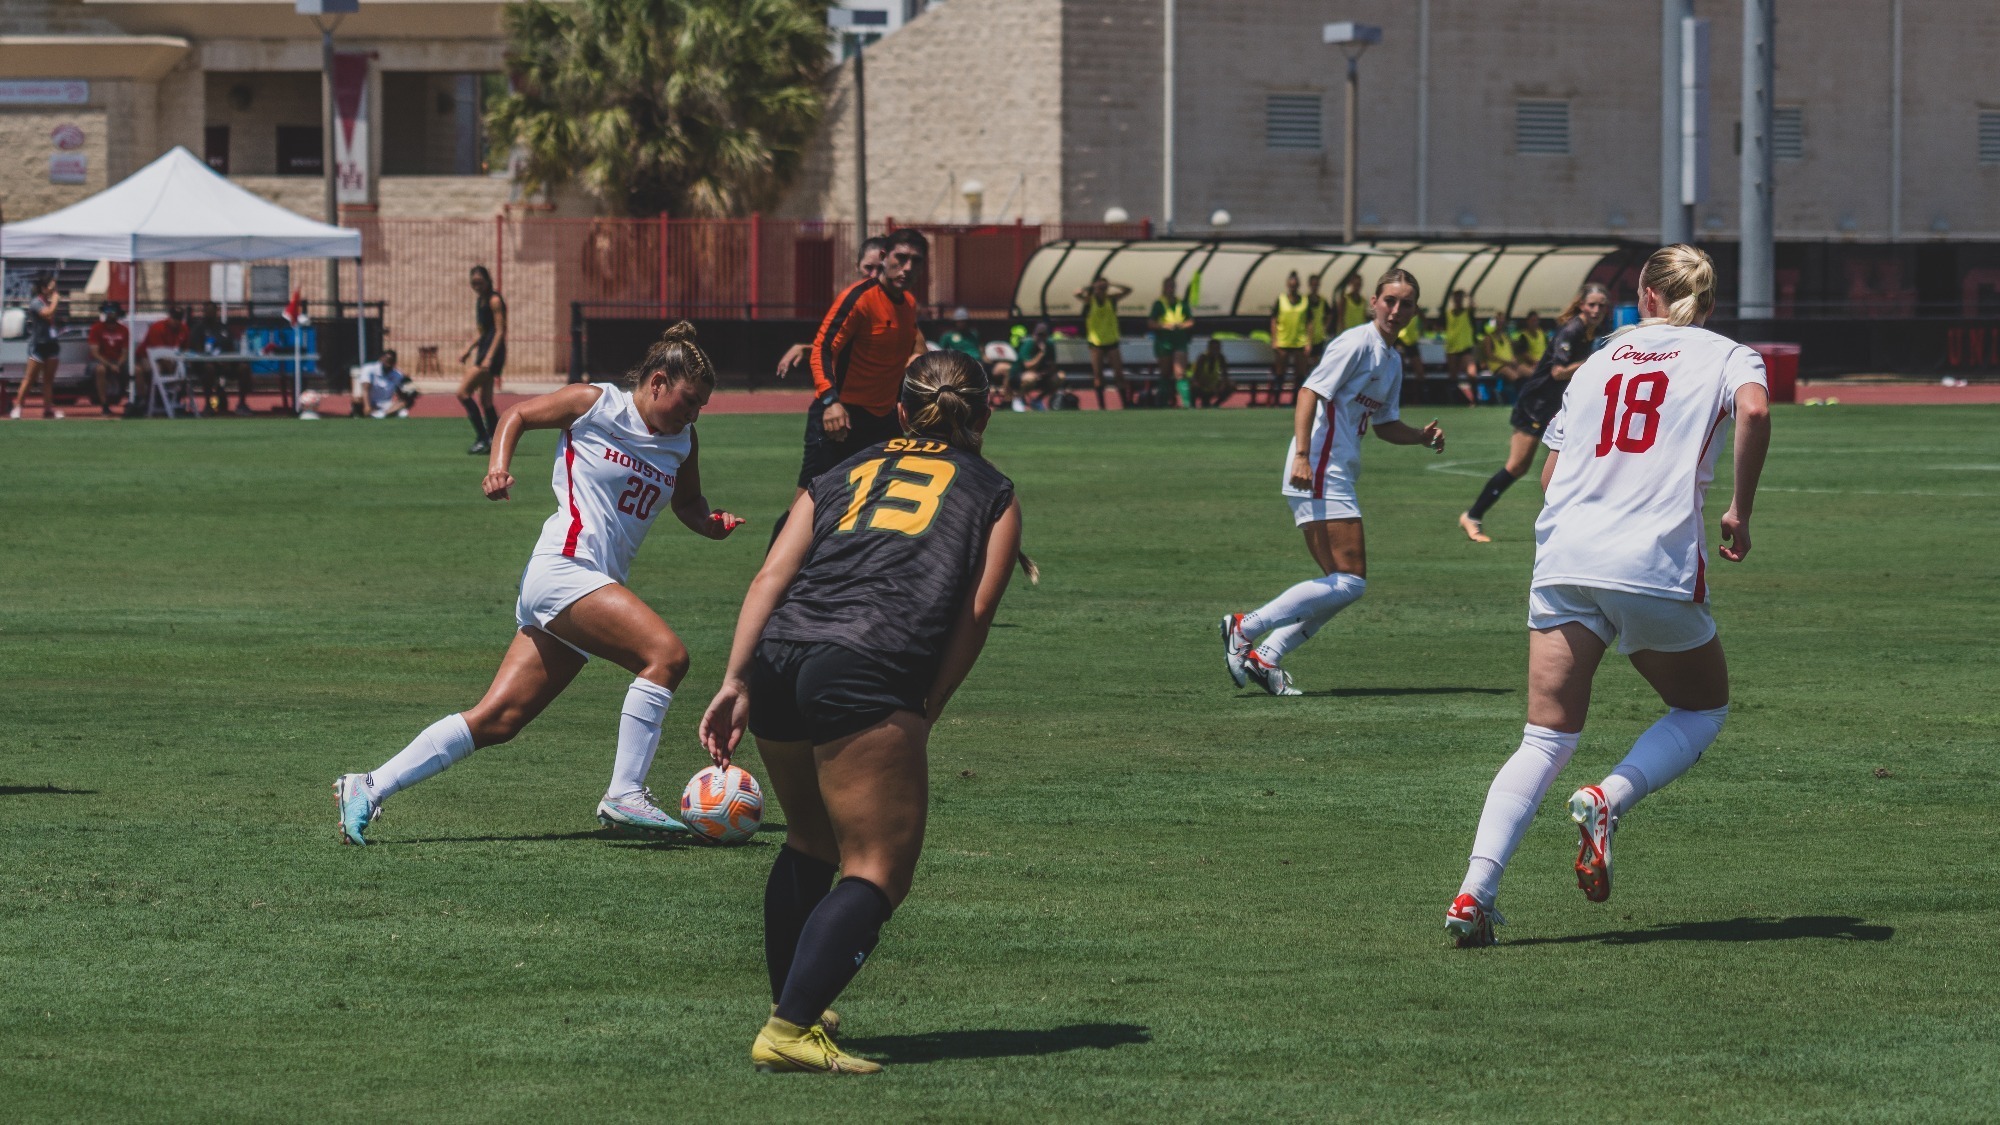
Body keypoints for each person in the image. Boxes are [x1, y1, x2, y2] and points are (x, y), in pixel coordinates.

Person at [698, 349, 1022, 1075]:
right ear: (986, 412)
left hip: (781, 654)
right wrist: (926, 705)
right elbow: (974, 613)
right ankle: (788, 1027)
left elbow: (769, 574)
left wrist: (735, 678)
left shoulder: (842, 468)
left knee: (811, 839)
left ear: (900, 411)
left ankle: (798, 994)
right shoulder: (994, 490)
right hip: (868, 663)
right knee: (878, 868)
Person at [1444, 245, 1771, 947]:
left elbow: (1549, 474)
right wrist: (1739, 508)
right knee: (1702, 706)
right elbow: (1755, 410)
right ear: (1705, 303)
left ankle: (1475, 891)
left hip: (1564, 552)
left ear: (1646, 296)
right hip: (1650, 559)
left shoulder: (1601, 357)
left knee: (1545, 735)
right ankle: (1608, 796)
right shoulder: (1730, 353)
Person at [333, 322, 746, 845]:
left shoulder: (682, 440)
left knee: (498, 719)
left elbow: (688, 502)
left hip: (588, 585)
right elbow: (518, 414)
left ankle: (367, 786)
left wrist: (710, 524)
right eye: (689, 401)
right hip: (564, 568)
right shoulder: (596, 403)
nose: (694, 414)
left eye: (701, 406)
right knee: (667, 657)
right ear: (658, 382)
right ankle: (625, 792)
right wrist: (498, 468)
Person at [1219, 269, 1446, 696]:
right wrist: (1303, 455)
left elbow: (1384, 424)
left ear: (1416, 310)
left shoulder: (1392, 359)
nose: (1397, 310)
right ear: (1373, 302)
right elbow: (1309, 392)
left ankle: (1266, 656)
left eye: (1407, 303)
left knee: (1337, 588)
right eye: (1390, 300)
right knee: (1351, 581)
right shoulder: (1356, 342)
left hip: (1333, 468)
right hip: (1319, 468)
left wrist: (1419, 436)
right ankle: (1245, 627)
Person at [1457, 283, 1610, 543]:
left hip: (1558, 407)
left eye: (1601, 305)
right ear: (1582, 305)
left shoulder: (1589, 331)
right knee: (1517, 466)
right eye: (1592, 304)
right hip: (1536, 405)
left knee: (1577, 464)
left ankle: (1573, 525)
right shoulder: (1572, 329)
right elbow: (1558, 372)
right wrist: (1592, 362)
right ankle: (1472, 517)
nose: (1597, 310)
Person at [797, 228, 929, 498]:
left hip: (884, 421)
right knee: (809, 504)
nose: (907, 267)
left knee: (879, 504)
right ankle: (779, 543)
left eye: (916, 261)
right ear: (884, 256)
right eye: (901, 258)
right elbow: (823, 349)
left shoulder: (909, 304)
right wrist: (831, 402)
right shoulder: (859, 298)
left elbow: (907, 356)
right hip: (841, 417)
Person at [778, 237, 889, 380]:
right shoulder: (849, 303)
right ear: (857, 266)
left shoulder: (902, 305)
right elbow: (829, 349)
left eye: (881, 268)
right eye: (868, 267)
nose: (874, 274)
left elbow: (913, 353)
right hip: (851, 393)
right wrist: (805, 350)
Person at [457, 264, 508, 454]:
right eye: (473, 283)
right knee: (486, 401)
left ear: (488, 280)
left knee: (462, 392)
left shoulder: (494, 300)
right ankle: (497, 441)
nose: (476, 286)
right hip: (484, 352)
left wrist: (489, 357)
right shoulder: (481, 301)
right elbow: (483, 331)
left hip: (492, 354)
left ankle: (482, 437)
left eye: (479, 282)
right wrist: (468, 349)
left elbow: (500, 331)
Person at [1075, 276, 1132, 409]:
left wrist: (1113, 284)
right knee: (1098, 375)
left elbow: (1128, 290)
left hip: (1111, 340)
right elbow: (1076, 293)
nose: (1101, 290)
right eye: (1099, 287)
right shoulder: (1090, 301)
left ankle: (1124, 404)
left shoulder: (1111, 300)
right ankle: (1101, 406)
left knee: (1119, 374)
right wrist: (1089, 287)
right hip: (1096, 342)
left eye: (1103, 287)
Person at [12, 274, 64, 420]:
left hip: (51, 344)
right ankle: (18, 406)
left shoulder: (48, 301)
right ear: (43, 288)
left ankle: (48, 409)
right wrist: (55, 301)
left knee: (48, 379)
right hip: (38, 345)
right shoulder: (36, 302)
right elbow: (47, 313)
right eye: (51, 288)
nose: (54, 291)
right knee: (29, 378)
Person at [191, 300, 252, 416]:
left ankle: (242, 404)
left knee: (244, 368)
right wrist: (214, 360)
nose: (210, 314)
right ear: (204, 312)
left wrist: (229, 360)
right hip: (206, 365)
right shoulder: (198, 329)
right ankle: (208, 405)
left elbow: (231, 349)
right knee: (209, 369)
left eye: (212, 311)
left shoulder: (223, 328)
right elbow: (198, 350)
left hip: (226, 364)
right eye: (208, 311)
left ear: (216, 312)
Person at [1147, 277, 1194, 407]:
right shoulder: (1158, 304)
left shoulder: (1181, 303)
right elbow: (1151, 323)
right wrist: (1164, 326)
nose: (1170, 289)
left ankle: (1187, 403)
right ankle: (1163, 402)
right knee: (1165, 373)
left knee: (1180, 372)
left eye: (1172, 286)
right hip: (1164, 341)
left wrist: (1181, 326)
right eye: (1168, 286)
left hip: (1179, 340)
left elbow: (1190, 321)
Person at [135, 306, 191, 414]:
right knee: (157, 369)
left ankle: (174, 400)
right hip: (147, 356)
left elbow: (185, 350)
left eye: (178, 319)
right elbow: (158, 355)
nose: (176, 322)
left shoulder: (184, 329)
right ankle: (150, 400)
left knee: (183, 369)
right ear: (170, 317)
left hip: (172, 358)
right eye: (174, 318)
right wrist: (173, 369)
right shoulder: (158, 327)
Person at [1269, 271, 1314, 405]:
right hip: (1283, 341)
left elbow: (1309, 322)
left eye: (1295, 285)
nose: (1293, 288)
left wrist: (1308, 342)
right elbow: (1274, 320)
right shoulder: (1281, 299)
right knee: (1280, 372)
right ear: (1288, 285)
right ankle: (1276, 401)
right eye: (1291, 285)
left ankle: (1296, 401)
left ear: (1298, 286)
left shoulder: (1305, 301)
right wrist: (1274, 339)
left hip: (1299, 342)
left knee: (1300, 374)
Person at [86, 301, 130, 417]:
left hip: (118, 360)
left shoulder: (124, 330)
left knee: (136, 369)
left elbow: (125, 353)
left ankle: (136, 401)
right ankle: (104, 404)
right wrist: (110, 365)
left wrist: (118, 364)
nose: (110, 314)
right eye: (107, 311)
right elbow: (95, 353)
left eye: (112, 311)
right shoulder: (96, 328)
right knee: (100, 370)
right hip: (100, 360)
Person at [351, 348, 420, 418]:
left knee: (407, 403)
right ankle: (366, 414)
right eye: (387, 360)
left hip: (385, 404)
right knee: (357, 400)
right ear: (381, 359)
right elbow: (365, 389)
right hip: (370, 401)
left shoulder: (397, 375)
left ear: (394, 362)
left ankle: (382, 415)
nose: (388, 363)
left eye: (391, 361)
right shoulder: (369, 369)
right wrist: (367, 406)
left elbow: (410, 391)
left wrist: (410, 390)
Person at [1013, 320, 1060, 409]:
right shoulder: (1029, 344)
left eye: (1044, 335)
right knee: (1030, 378)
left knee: (1060, 377)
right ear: (1034, 334)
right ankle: (1019, 399)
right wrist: (1041, 354)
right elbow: (1028, 366)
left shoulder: (1049, 345)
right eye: (1039, 335)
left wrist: (1045, 372)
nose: (1041, 338)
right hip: (1020, 375)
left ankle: (1037, 400)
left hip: (1041, 375)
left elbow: (1053, 365)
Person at [1442, 289, 1478, 402]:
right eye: (1456, 298)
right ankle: (1456, 399)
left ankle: (1474, 398)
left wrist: (1469, 296)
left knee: (1471, 374)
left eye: (1460, 298)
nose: (1458, 300)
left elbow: (1474, 307)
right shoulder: (1448, 313)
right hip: (1452, 349)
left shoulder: (1467, 312)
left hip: (1465, 349)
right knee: (1453, 376)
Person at [1482, 316, 1533, 389]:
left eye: (1502, 323)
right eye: (1498, 322)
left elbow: (1510, 352)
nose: (1500, 325)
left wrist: (1514, 359)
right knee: (1514, 375)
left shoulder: (1505, 337)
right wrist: (1505, 362)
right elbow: (1489, 355)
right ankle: (1520, 397)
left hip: (1510, 364)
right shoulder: (1488, 338)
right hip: (1498, 366)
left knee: (1530, 373)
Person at [1188, 337, 1236, 407]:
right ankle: (1193, 405)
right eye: (1213, 348)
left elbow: (1225, 374)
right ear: (1209, 348)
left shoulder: (1220, 357)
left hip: (1213, 384)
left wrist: (1222, 385)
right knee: (1193, 386)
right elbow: (1196, 376)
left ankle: (1216, 405)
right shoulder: (1202, 358)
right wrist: (1205, 386)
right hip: (1202, 384)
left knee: (1231, 385)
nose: (1215, 351)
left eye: (1217, 348)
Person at [1305, 273, 1332, 353]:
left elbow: (1330, 314)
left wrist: (1325, 327)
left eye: (1316, 285)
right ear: (1309, 285)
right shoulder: (1304, 300)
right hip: (1305, 337)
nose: (1315, 287)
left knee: (1317, 361)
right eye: (1313, 285)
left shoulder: (1323, 301)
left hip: (1319, 336)